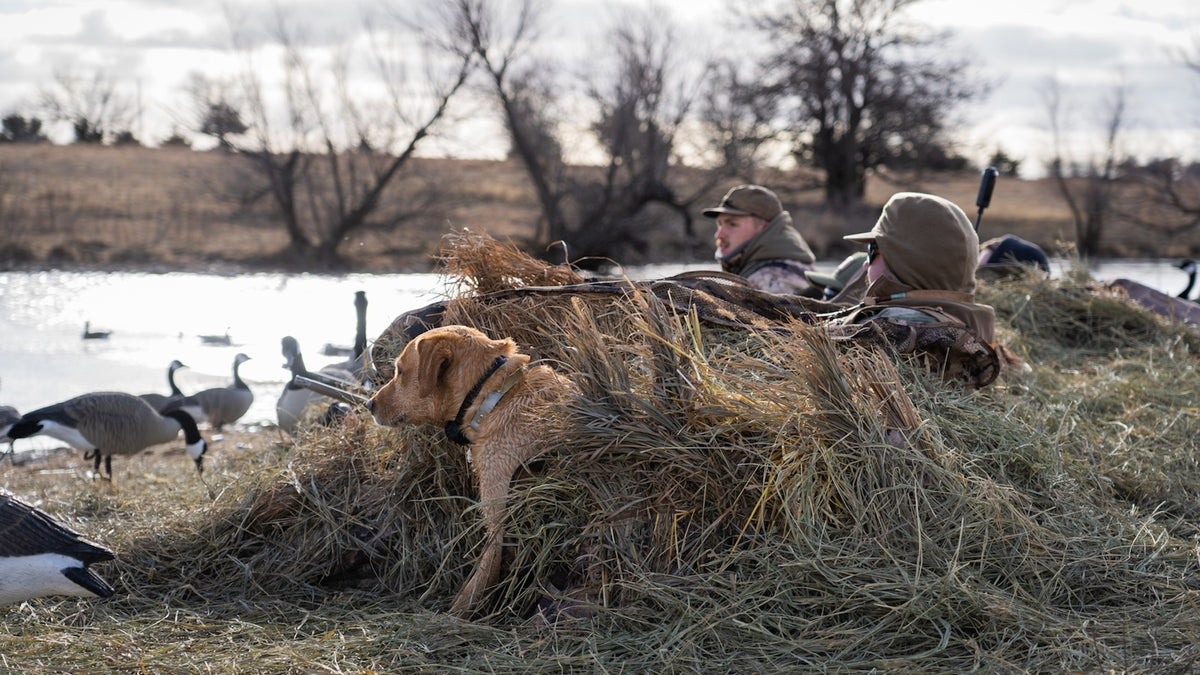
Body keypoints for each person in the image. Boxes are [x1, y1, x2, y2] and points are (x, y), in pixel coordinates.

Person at [838, 191, 996, 344]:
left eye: (872, 251)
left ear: (901, 261)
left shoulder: (889, 325)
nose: (866, 264)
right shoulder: (974, 319)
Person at [702, 184, 818, 295]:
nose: (719, 235)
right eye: (720, 224)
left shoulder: (772, 281)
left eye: (732, 224)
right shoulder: (779, 267)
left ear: (764, 227)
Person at [977, 234, 1051, 278]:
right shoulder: (1010, 242)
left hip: (1038, 269)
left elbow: (984, 266)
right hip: (1043, 269)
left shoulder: (1004, 244)